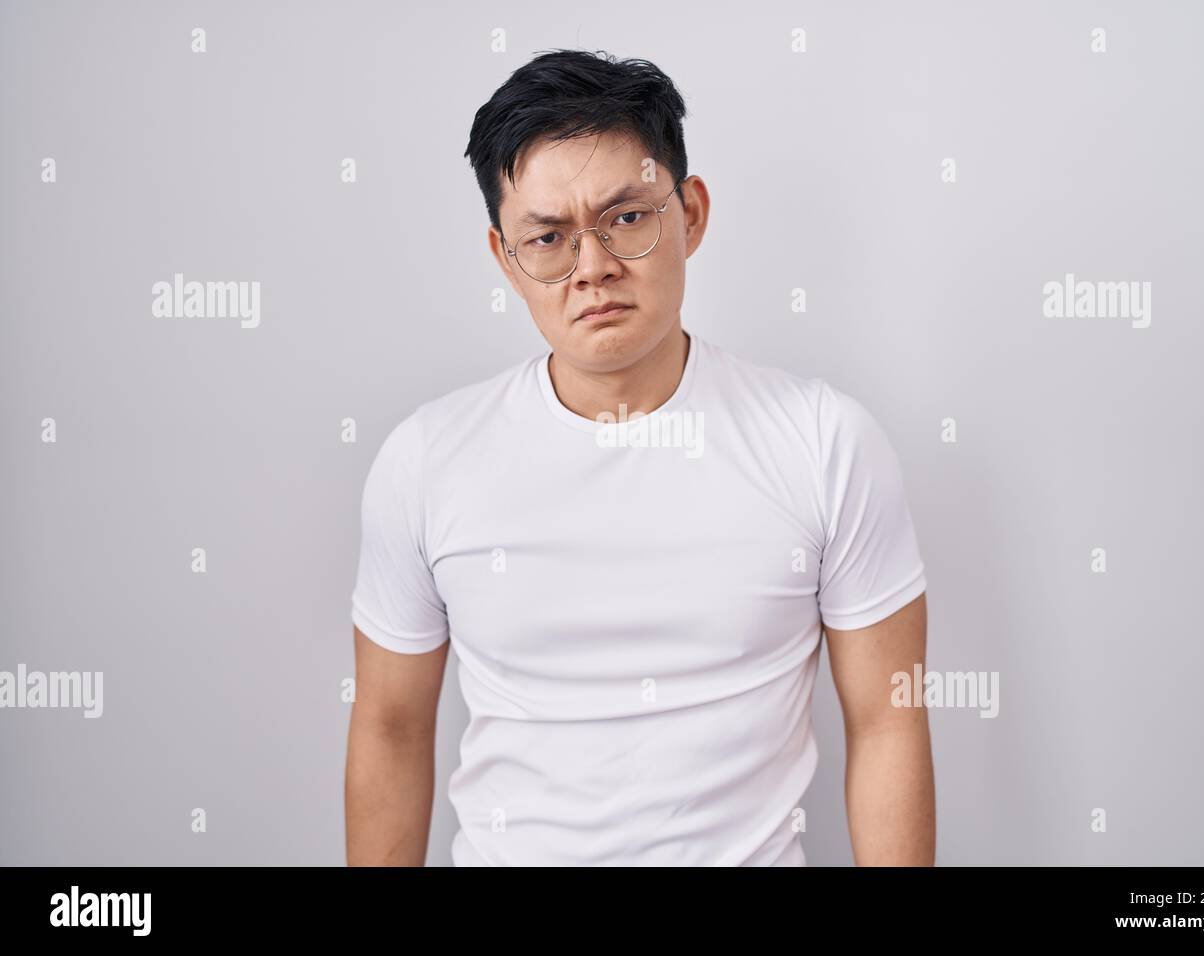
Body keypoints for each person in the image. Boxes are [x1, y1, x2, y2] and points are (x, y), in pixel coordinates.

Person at [344, 49, 932, 866]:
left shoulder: (824, 441)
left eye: (626, 218)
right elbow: (390, 727)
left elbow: (888, 721)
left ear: (690, 213)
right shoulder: (427, 460)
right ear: (505, 259)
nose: (593, 269)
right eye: (547, 237)